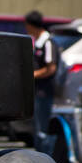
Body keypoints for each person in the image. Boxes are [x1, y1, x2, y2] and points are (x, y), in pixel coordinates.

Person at [25, 10, 56, 155]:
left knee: (43, 130)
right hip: (37, 91)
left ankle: (46, 160)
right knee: (37, 130)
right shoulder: (38, 43)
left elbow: (51, 68)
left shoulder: (47, 42)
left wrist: (33, 75)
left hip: (45, 92)